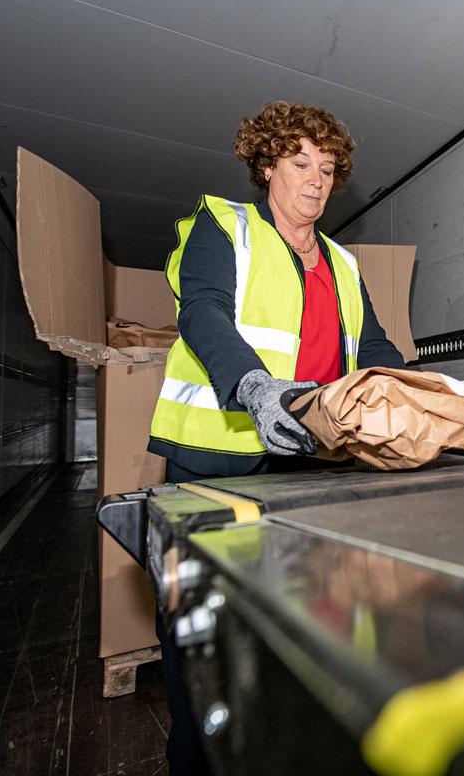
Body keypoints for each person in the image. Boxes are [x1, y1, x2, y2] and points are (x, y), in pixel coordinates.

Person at [146, 100, 403, 775]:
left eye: (327, 169)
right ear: (266, 166)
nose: (316, 180)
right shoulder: (225, 226)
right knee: (203, 637)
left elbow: (374, 347)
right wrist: (257, 389)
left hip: (311, 467)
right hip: (217, 462)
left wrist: (414, 397)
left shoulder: (342, 264)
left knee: (309, 623)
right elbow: (203, 312)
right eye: (300, 162)